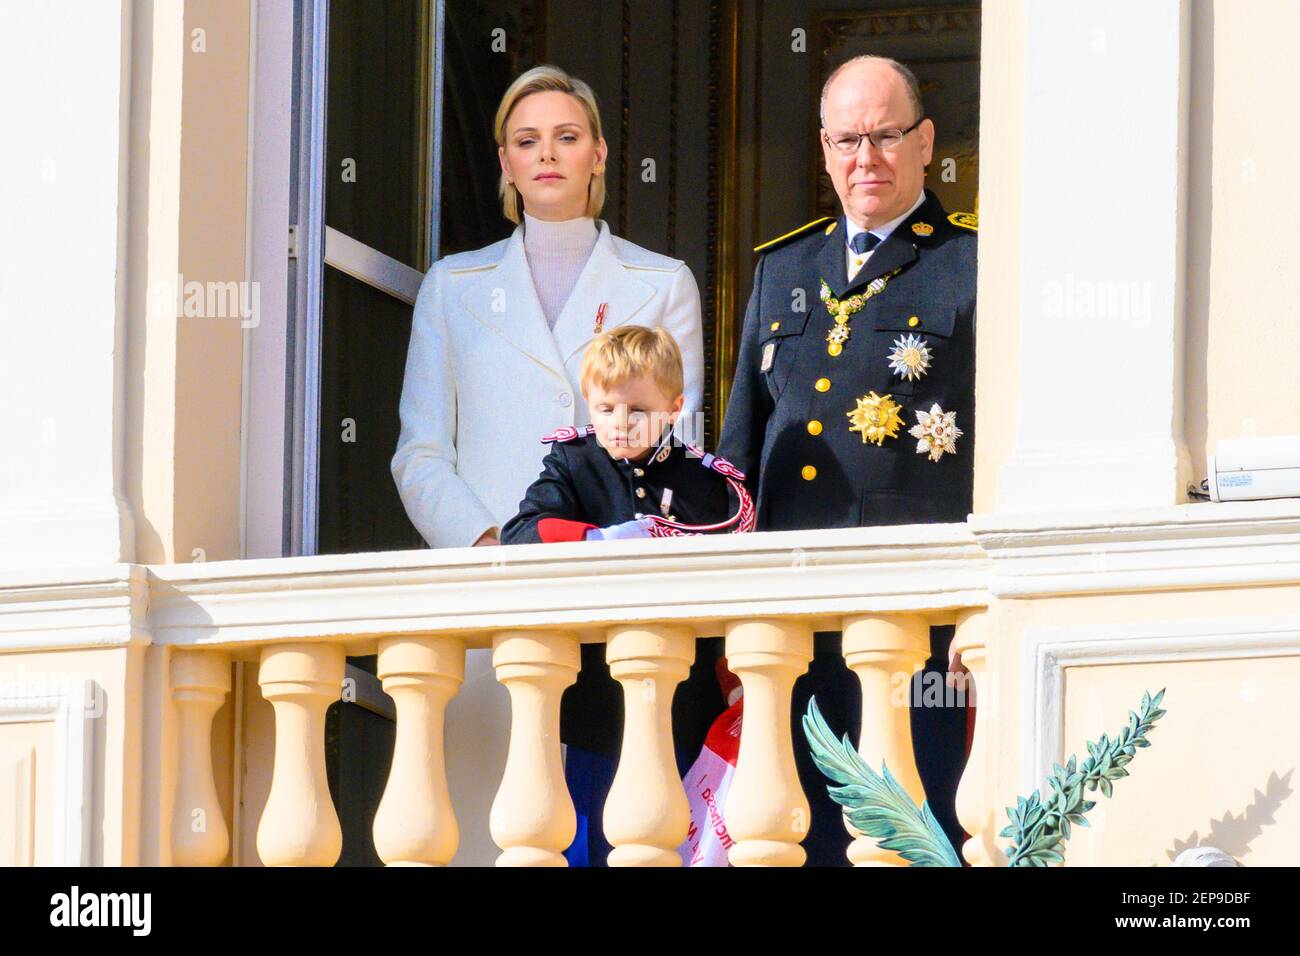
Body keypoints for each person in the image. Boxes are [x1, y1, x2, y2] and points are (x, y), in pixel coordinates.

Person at [718, 55, 977, 865]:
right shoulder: (783, 268)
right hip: (787, 624)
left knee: (909, 835)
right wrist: (726, 609)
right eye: (847, 139)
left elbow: (1002, 454)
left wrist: (982, 611)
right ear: (824, 149)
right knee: (791, 839)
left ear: (925, 141)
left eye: (885, 136)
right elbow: (738, 453)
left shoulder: (976, 266)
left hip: (914, 631)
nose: (866, 158)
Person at [392, 64, 704, 551]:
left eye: (567, 136)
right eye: (527, 141)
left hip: (620, 571)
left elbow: (682, 442)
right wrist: (488, 547)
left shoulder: (664, 284)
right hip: (485, 577)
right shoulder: (451, 287)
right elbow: (420, 453)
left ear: (598, 155)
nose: (548, 154)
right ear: (506, 163)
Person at [502, 326, 753, 866]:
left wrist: (735, 683)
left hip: (686, 698)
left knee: (678, 840)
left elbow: (735, 586)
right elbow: (521, 532)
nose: (619, 423)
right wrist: (597, 539)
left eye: (637, 409)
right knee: (591, 843)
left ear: (674, 408)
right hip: (598, 698)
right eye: (605, 408)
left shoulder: (706, 482)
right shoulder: (574, 462)